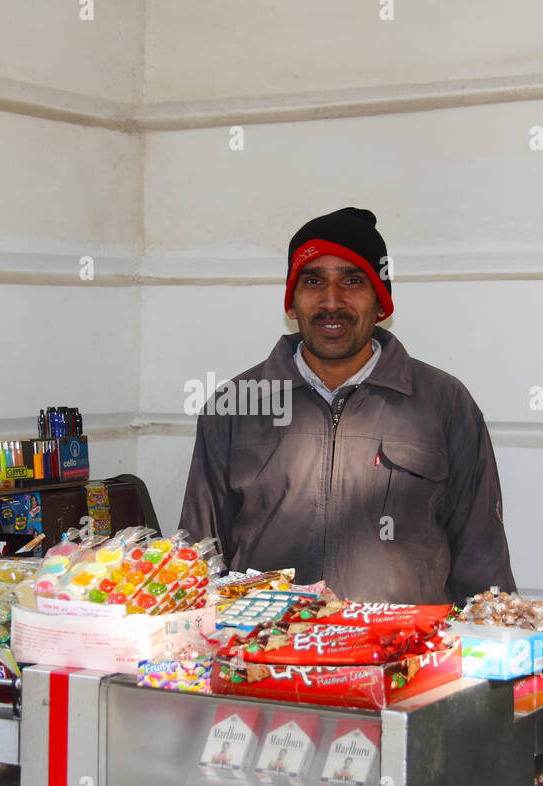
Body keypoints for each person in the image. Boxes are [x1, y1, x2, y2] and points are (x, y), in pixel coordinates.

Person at [180, 207, 516, 603]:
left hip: (403, 655)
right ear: (292, 303)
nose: (331, 301)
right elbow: (199, 556)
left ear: (381, 303)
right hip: (266, 652)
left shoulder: (443, 403)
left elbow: (481, 558)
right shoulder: (236, 405)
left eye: (353, 281)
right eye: (313, 281)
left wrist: (495, 642)